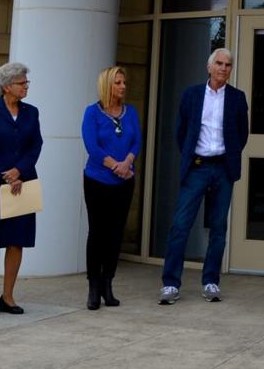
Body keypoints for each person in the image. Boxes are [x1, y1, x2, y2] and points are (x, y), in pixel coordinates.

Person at [159, 48, 250, 305]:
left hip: (223, 168)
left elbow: (241, 135)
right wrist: (192, 156)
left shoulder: (237, 98)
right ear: (209, 67)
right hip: (197, 167)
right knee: (180, 225)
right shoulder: (192, 95)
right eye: (219, 64)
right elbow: (181, 132)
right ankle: (170, 284)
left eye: (228, 65)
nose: (223, 68)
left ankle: (211, 281)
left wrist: (228, 158)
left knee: (218, 228)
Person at [0, 61, 42, 317]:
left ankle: (9, 296)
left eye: (27, 82)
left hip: (23, 181)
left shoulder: (32, 112)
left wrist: (19, 171)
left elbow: (35, 144)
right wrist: (6, 173)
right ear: (6, 87)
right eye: (21, 83)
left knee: (17, 240)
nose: (26, 86)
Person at [81, 65, 143, 310]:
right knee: (98, 233)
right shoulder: (92, 113)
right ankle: (93, 287)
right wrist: (114, 165)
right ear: (107, 85)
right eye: (118, 83)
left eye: (124, 82)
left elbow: (136, 140)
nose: (123, 87)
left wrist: (127, 162)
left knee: (116, 233)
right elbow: (92, 146)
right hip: (98, 179)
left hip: (125, 180)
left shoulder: (131, 112)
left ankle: (108, 283)